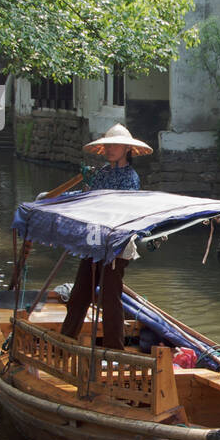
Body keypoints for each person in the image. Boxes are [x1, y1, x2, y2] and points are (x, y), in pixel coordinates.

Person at [57, 124, 152, 350]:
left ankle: (115, 350)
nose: (110, 149)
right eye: (108, 145)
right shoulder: (101, 174)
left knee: (110, 298)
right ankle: (64, 342)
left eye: (115, 146)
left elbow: (123, 210)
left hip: (116, 244)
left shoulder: (130, 178)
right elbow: (86, 198)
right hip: (93, 242)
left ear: (127, 149)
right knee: (79, 294)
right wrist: (55, 198)